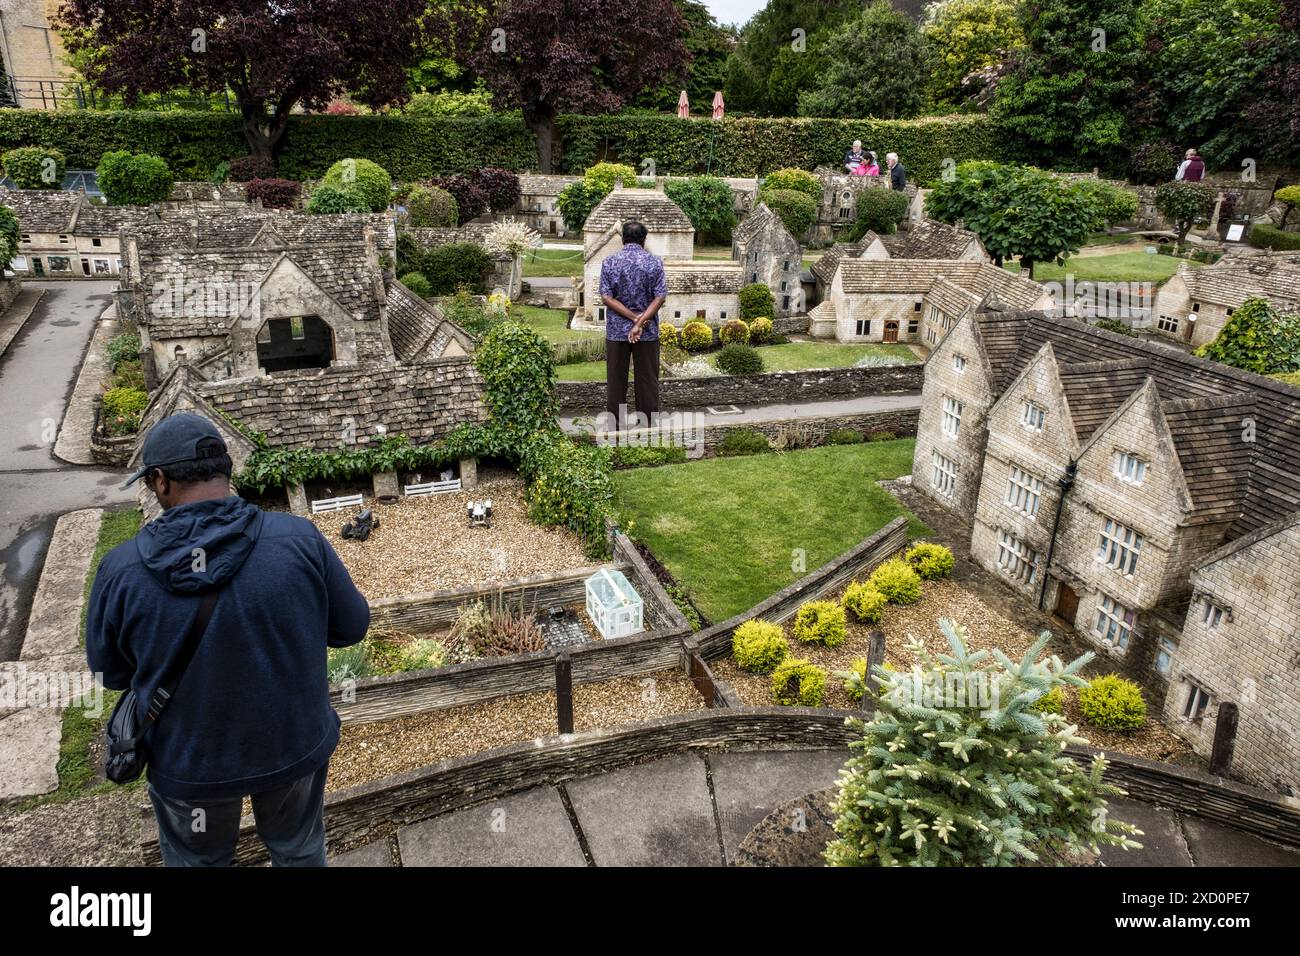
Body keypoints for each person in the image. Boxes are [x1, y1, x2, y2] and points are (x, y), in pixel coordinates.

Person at [86, 413, 370, 867]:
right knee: (297, 848)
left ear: (159, 481)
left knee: (199, 862)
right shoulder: (297, 540)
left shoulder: (122, 572)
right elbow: (351, 627)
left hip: (190, 763)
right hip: (290, 745)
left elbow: (110, 672)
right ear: (227, 469)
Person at [600, 220, 667, 430]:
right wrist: (640, 321)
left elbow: (606, 297)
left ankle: (616, 427)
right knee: (647, 381)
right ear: (644, 239)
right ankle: (647, 427)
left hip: (617, 333)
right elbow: (660, 297)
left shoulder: (609, 262)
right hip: (647, 333)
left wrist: (631, 318)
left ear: (623, 238)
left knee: (616, 381)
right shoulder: (655, 263)